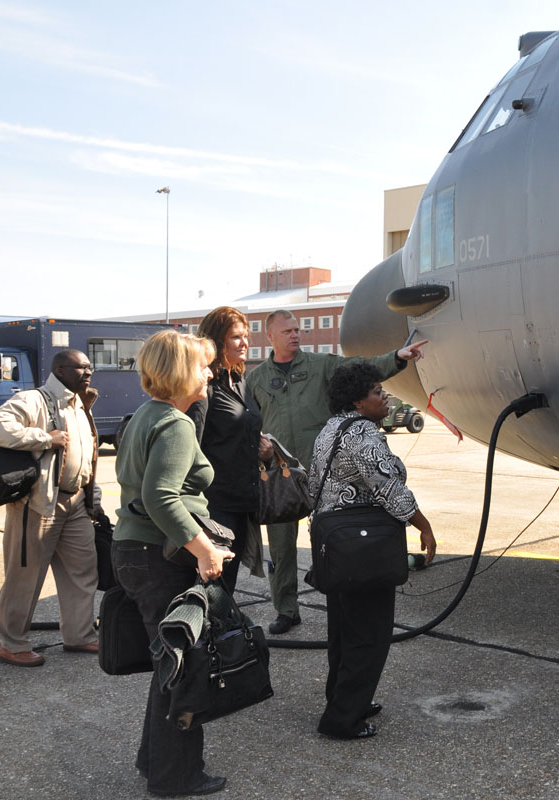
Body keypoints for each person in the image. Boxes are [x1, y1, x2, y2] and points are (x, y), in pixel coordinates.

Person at [244, 309, 426, 635]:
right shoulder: (256, 379)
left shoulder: (320, 365)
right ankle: (286, 609)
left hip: (322, 473)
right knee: (282, 546)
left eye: (298, 329)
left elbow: (360, 370)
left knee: (330, 539)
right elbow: (249, 425)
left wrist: (397, 358)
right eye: (287, 331)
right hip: (282, 477)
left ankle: (337, 600)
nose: (295, 335)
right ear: (270, 336)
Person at [111, 330, 234, 796]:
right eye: (203, 366)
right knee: (183, 671)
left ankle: (154, 761)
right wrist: (204, 549)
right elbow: (160, 496)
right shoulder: (177, 424)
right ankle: (175, 777)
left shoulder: (149, 414)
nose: (209, 373)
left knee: (170, 666)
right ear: (183, 372)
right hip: (157, 558)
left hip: (134, 552)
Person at [310, 362, 436, 739]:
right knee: (369, 633)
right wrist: (424, 526)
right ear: (358, 401)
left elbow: (315, 483)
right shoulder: (363, 434)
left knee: (345, 631)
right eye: (377, 392)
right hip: (363, 547)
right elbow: (389, 490)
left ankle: (345, 700)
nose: (385, 397)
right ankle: (342, 720)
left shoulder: (331, 428)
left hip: (338, 545)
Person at [0, 348, 101, 667]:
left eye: (90, 368)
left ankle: (80, 635)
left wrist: (93, 497)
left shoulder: (80, 403)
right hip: (38, 504)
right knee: (25, 576)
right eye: (81, 368)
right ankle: (13, 643)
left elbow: (86, 454)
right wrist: (44, 438)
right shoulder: (34, 400)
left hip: (76, 502)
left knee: (82, 571)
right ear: (60, 370)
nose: (88, 373)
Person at [187, 306, 272, 593]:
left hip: (242, 503)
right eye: (236, 337)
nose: (245, 342)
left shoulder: (241, 382)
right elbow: (191, 449)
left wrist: (263, 450)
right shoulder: (204, 386)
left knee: (224, 592)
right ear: (216, 340)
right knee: (209, 592)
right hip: (214, 508)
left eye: (246, 336)